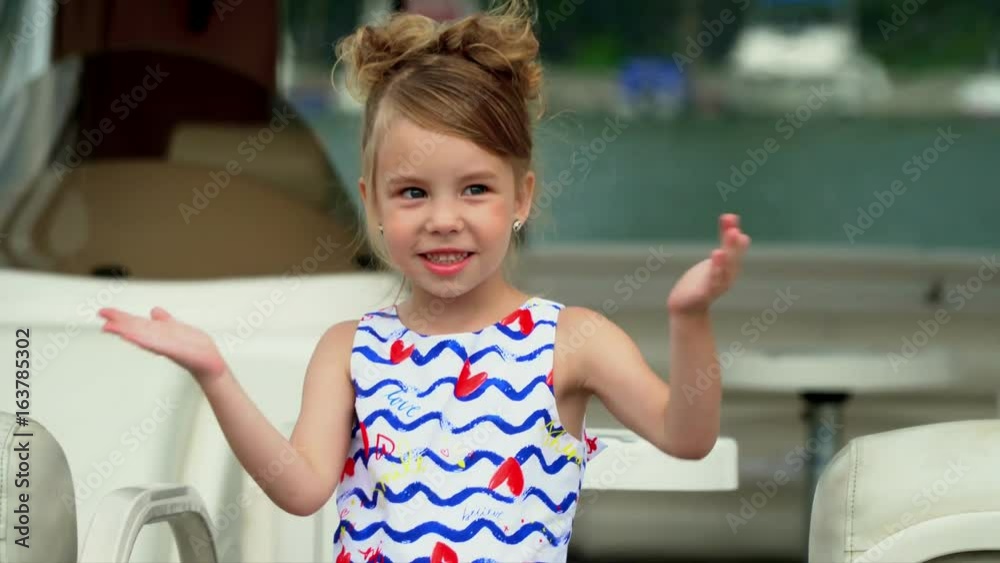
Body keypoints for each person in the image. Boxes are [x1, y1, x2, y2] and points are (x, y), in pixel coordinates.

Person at [98, 1, 751, 561]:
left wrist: (690, 318)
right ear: (374, 204)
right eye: (412, 192)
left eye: (475, 189)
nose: (444, 219)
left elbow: (686, 436)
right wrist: (215, 371)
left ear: (521, 198)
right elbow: (300, 489)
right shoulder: (349, 349)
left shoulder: (571, 340)